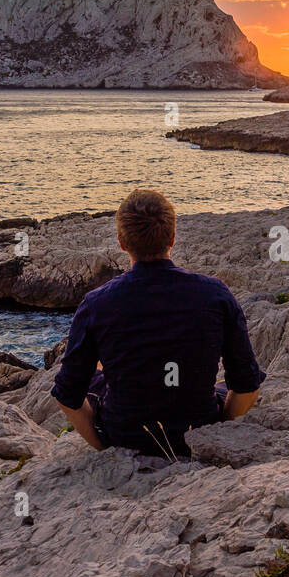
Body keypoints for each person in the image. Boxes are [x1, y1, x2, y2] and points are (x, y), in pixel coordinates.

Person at [51, 188, 264, 458]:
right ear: (172, 238)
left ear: (122, 243)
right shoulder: (215, 295)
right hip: (197, 429)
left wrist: (105, 447)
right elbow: (247, 385)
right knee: (220, 384)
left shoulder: (97, 304)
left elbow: (66, 395)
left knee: (95, 377)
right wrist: (216, 430)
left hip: (124, 435)